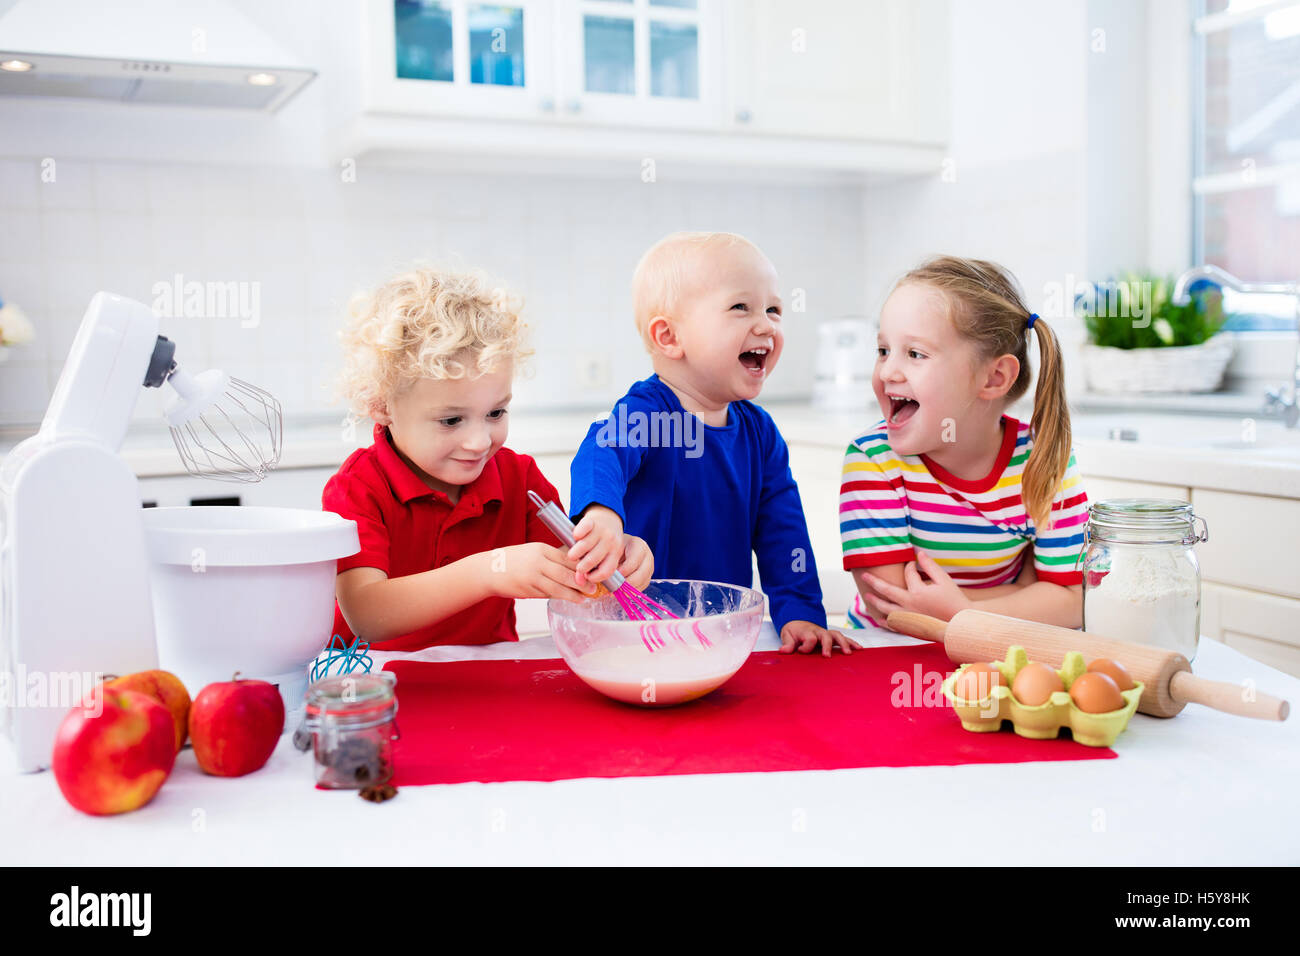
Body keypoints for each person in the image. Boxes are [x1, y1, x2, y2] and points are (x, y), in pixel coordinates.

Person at [322, 266, 653, 651]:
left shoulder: (520, 478)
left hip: (489, 676)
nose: (479, 442)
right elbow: (366, 615)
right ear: (381, 406)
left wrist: (613, 564)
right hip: (382, 684)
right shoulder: (357, 489)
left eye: (495, 413)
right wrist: (488, 572)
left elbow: (578, 579)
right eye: (451, 420)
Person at [568, 231, 860, 657]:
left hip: (718, 636)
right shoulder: (649, 414)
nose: (766, 324)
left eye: (773, 309)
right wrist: (602, 513)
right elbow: (601, 452)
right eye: (741, 307)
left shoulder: (760, 434)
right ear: (669, 338)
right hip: (632, 634)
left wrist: (801, 612)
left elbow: (785, 533)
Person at [841, 256, 1087, 629]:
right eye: (883, 350)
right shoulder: (874, 461)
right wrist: (1024, 592)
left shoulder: (1043, 459)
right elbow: (891, 606)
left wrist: (958, 610)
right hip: (890, 657)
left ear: (993, 378)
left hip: (993, 658)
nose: (887, 370)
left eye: (915, 354)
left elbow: (1073, 603)